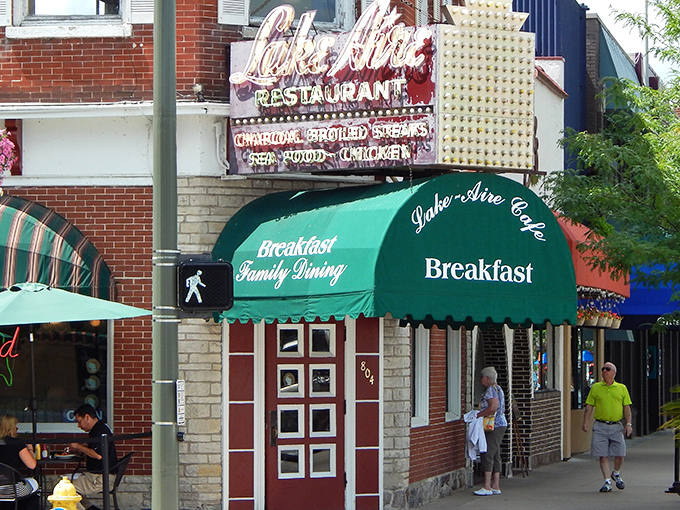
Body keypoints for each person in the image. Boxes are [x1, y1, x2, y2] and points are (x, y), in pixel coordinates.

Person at [582, 361, 633, 493]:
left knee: (620, 453)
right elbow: (589, 406)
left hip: (616, 425)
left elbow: (627, 408)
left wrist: (628, 424)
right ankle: (607, 481)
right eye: (603, 369)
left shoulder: (621, 388)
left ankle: (615, 473)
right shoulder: (596, 388)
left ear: (614, 373)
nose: (604, 371)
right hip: (600, 425)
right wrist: (586, 421)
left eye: (608, 369)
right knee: (602, 455)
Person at [59, 404, 117, 510]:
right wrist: (80, 449)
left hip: (99, 478)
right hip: (98, 475)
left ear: (87, 417)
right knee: (66, 486)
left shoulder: (100, 431)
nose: (79, 426)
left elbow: (98, 455)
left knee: (64, 489)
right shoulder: (100, 428)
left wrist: (78, 446)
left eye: (79, 421)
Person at [473, 366, 508, 496]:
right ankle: (496, 485)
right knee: (495, 454)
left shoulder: (490, 391)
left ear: (487, 378)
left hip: (493, 425)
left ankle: (487, 485)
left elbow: (493, 407)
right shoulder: (498, 389)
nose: (480, 379)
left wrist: (479, 414)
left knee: (487, 453)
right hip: (501, 424)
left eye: (481, 377)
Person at [0, 414, 39, 510]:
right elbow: (32, 465)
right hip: (12, 490)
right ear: (12, 428)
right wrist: (30, 449)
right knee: (34, 483)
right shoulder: (17, 443)